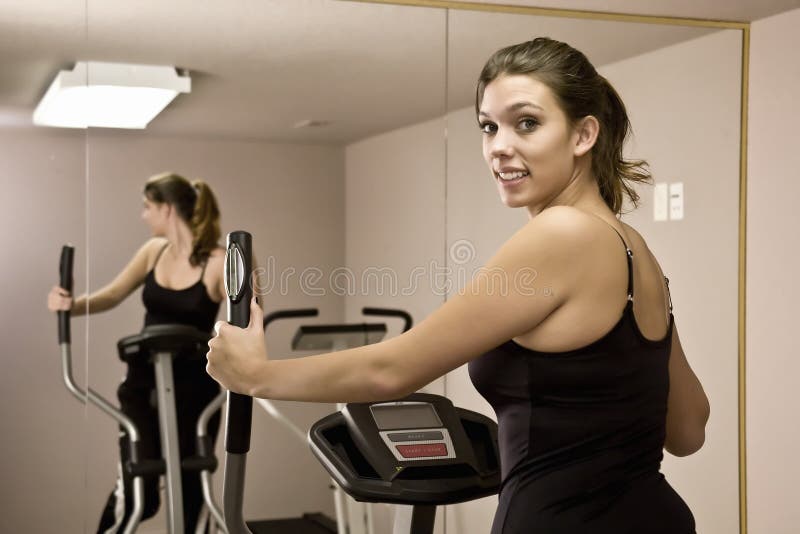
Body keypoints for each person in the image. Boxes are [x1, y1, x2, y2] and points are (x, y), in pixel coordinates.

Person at [206, 37, 710, 534]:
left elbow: (393, 370)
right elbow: (687, 429)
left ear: (583, 135)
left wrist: (254, 375)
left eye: (527, 123)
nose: (499, 147)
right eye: (489, 127)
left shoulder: (562, 234)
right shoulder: (635, 250)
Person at [48, 173, 226, 533]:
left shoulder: (220, 261)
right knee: (137, 491)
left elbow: (248, 317)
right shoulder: (153, 252)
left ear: (166, 208)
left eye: (147, 207)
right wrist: (70, 305)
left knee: (194, 491)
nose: (144, 215)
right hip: (143, 387)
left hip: (195, 390)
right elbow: (113, 295)